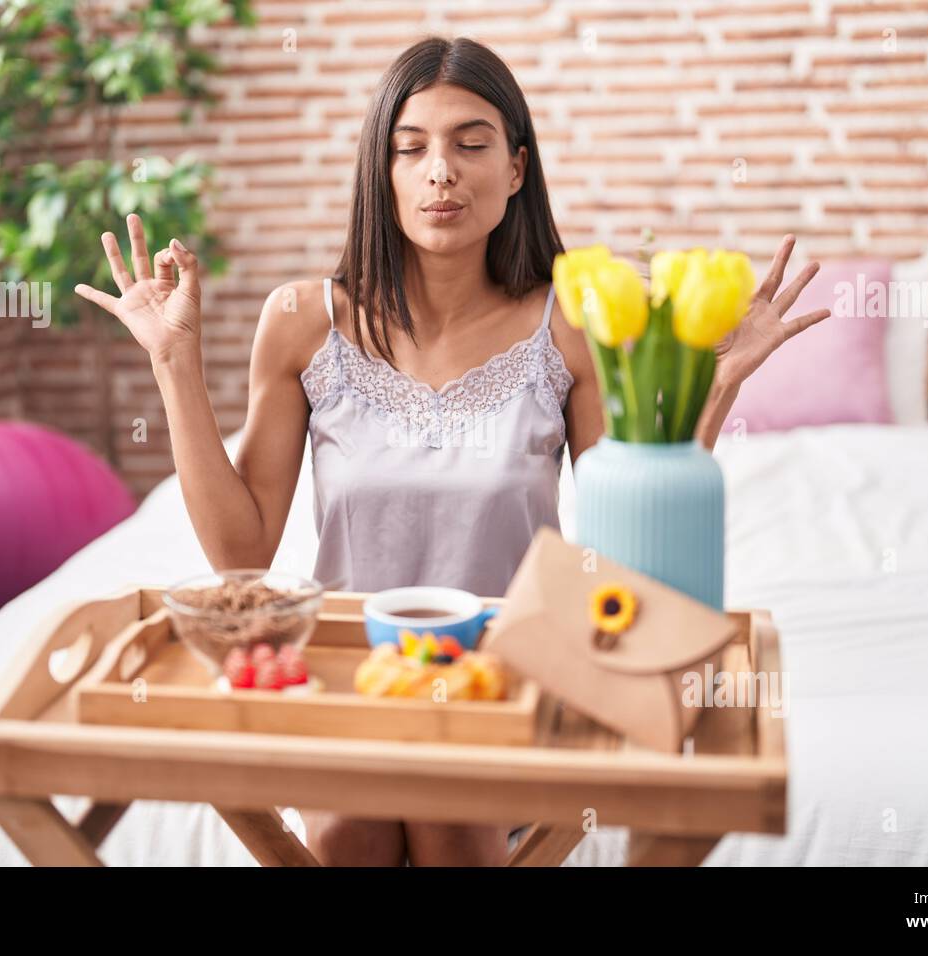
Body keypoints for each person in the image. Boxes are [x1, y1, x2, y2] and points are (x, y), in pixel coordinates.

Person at [76, 36, 830, 866]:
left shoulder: (569, 323)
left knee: (453, 822)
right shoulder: (298, 321)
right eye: (412, 148)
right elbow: (242, 552)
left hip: (502, 689)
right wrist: (174, 364)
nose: (442, 170)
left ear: (515, 169)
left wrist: (714, 384)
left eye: (472, 144)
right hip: (350, 687)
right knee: (347, 831)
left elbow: (626, 536)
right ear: (383, 173)